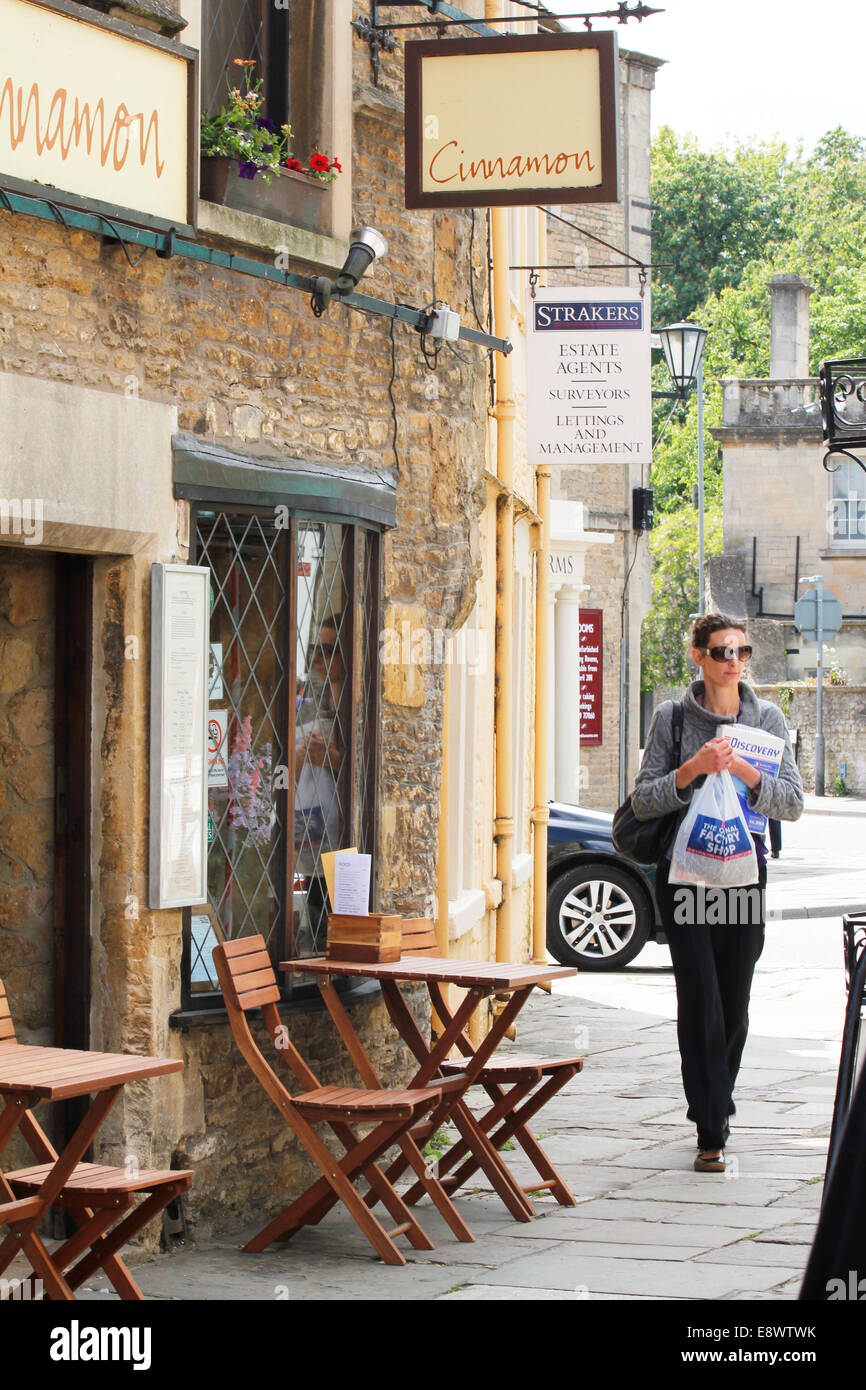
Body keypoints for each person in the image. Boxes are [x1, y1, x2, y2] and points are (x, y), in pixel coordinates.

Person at [632, 613, 804, 1173]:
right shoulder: (673, 719)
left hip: (743, 875)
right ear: (698, 656)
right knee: (700, 998)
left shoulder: (767, 718)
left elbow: (794, 803)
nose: (733, 661)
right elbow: (642, 802)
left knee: (735, 1002)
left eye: (741, 651)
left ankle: (718, 1101)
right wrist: (692, 771)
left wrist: (751, 776)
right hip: (684, 876)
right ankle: (711, 1126)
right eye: (721, 651)